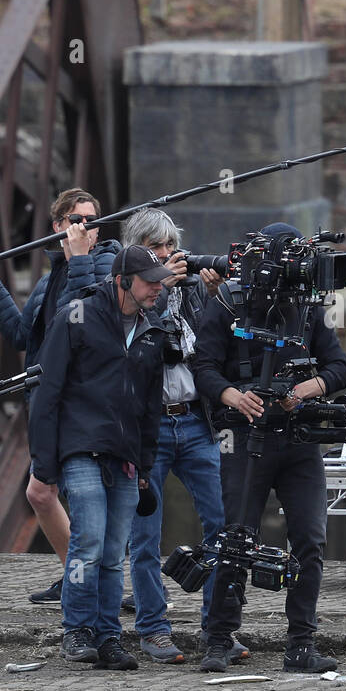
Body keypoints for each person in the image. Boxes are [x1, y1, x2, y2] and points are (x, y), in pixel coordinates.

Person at [192, 222, 346, 674]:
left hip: (298, 439)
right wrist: (232, 396)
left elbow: (340, 368)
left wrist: (306, 388)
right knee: (235, 538)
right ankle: (219, 639)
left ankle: (301, 643)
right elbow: (203, 367)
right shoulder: (225, 303)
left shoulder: (307, 310)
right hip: (244, 438)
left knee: (309, 540)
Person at [0, 187, 121, 604]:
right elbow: (23, 335)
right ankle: (75, 573)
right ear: (58, 227)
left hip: (85, 404)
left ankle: (101, 584)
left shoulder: (108, 265)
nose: (86, 229)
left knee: (87, 495)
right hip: (48, 404)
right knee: (42, 493)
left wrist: (81, 261)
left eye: (92, 221)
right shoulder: (50, 277)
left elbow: (84, 319)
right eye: (77, 221)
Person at [28, 245, 172, 670]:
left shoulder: (152, 331)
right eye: (150, 281)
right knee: (88, 544)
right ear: (123, 279)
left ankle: (109, 636)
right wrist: (44, 464)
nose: (158, 289)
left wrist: (145, 466)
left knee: (112, 554)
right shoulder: (77, 316)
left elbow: (151, 408)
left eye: (160, 281)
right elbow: (46, 391)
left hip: (125, 458)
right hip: (80, 448)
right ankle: (77, 631)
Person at [118, 208, 249, 664]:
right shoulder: (127, 297)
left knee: (224, 526)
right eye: (156, 249)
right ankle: (153, 629)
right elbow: (124, 351)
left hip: (196, 422)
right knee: (144, 535)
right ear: (135, 252)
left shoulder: (194, 290)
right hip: (149, 428)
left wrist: (216, 297)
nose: (168, 257)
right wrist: (161, 287)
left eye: (172, 248)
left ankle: (218, 629)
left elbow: (217, 349)